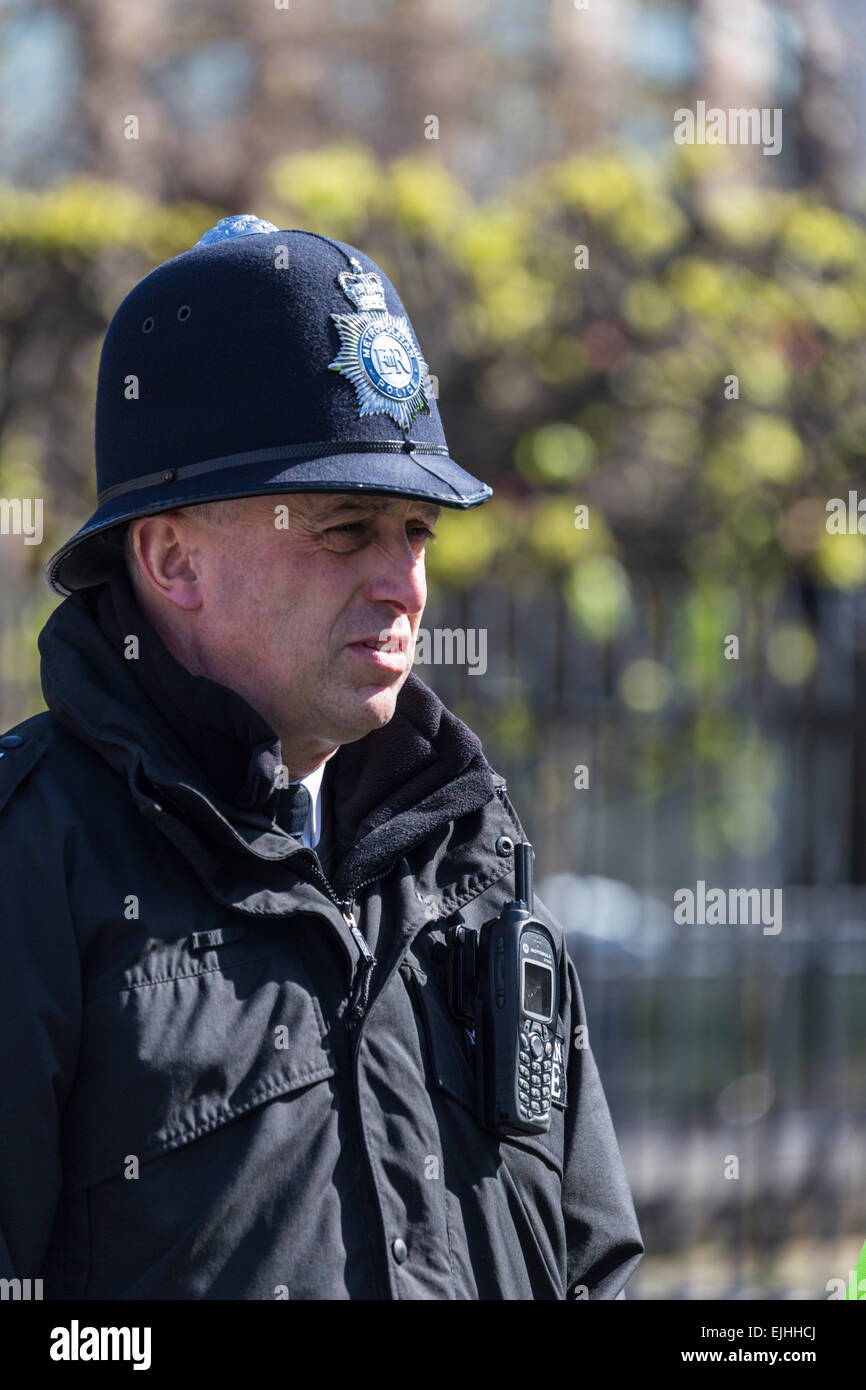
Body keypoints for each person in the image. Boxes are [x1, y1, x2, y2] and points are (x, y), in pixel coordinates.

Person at [0, 217, 643, 1299]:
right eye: (347, 530)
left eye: (417, 533)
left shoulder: (468, 846)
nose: (403, 584)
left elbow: (595, 1266)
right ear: (172, 558)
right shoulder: (32, 860)